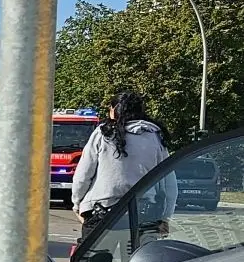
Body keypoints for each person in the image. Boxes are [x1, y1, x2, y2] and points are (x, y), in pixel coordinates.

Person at [73, 90, 176, 241]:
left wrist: (78, 204)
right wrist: (165, 216)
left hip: (103, 213)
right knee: (139, 261)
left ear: (115, 110)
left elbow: (83, 176)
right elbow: (168, 183)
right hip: (143, 214)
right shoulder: (155, 137)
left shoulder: (103, 134)